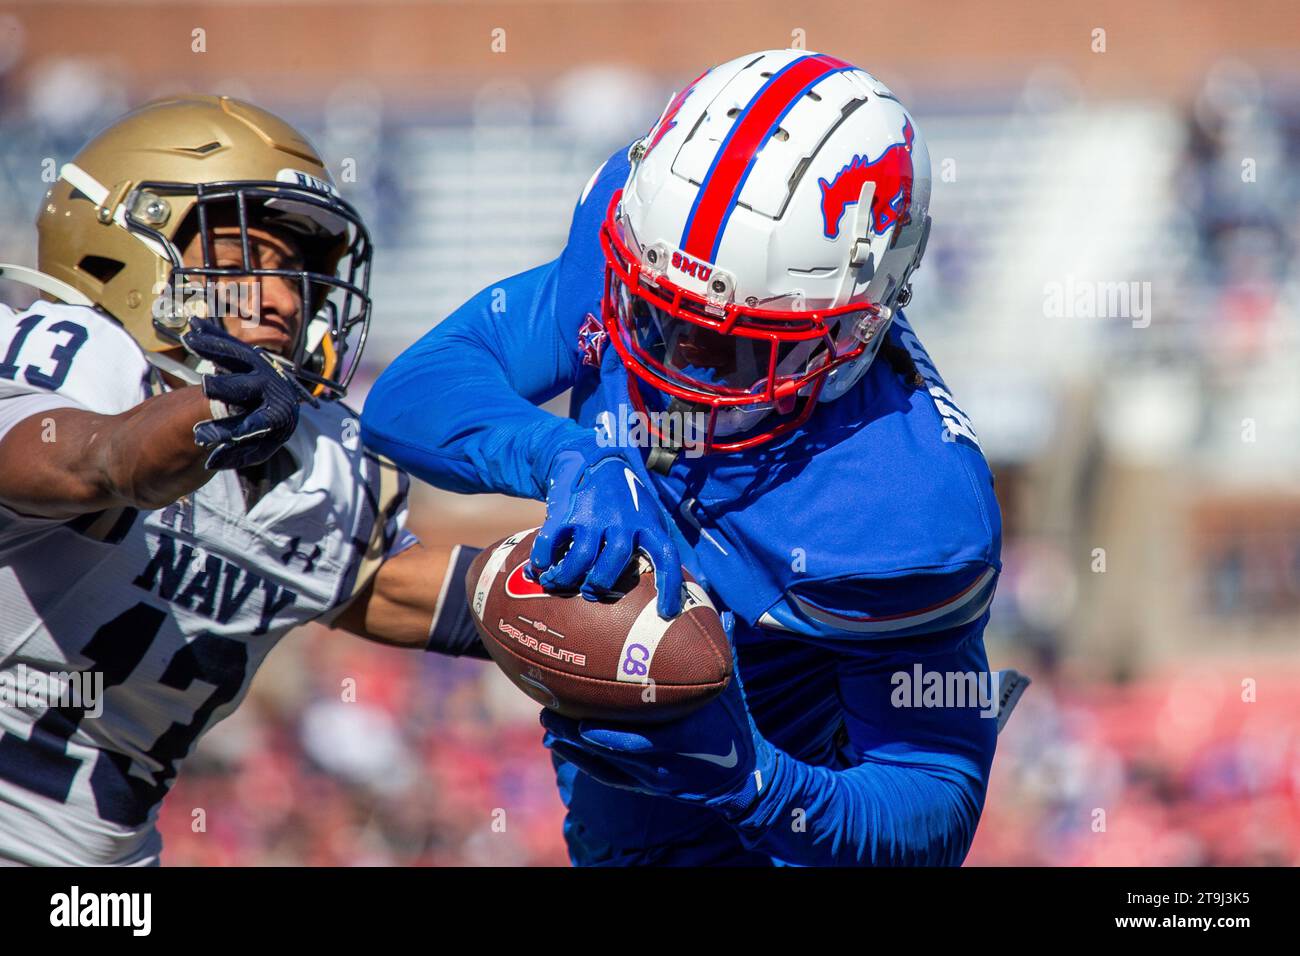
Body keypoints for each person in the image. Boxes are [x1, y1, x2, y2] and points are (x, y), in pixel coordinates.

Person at [362, 50, 1024, 866]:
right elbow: (410, 397)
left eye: (732, 347)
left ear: (855, 331)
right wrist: (572, 457)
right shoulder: (650, 240)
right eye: (652, 313)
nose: (672, 367)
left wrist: (758, 784)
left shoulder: (905, 507)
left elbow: (935, 803)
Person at [0, 95, 483, 866]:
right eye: (237, 265)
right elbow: (89, 458)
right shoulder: (67, 357)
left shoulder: (318, 467)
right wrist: (198, 417)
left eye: (298, 273)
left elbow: (425, 593)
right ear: (117, 251)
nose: (285, 298)